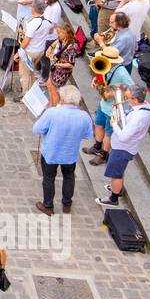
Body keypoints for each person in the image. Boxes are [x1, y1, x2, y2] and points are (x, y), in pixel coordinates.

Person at [32, 85, 94, 214]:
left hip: (51, 152)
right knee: (69, 177)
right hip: (70, 153)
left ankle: (48, 206)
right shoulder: (84, 116)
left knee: (48, 178)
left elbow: (36, 129)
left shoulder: (52, 112)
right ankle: (67, 204)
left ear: (62, 98)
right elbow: (88, 135)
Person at [96, 84, 150, 207]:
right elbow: (129, 116)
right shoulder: (144, 106)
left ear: (135, 99)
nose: (125, 100)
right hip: (125, 147)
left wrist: (114, 124)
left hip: (123, 148)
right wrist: (119, 110)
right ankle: (118, 189)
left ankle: (113, 198)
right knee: (119, 171)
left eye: (127, 98)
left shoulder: (139, 117)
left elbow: (123, 137)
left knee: (115, 174)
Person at [83, 46, 134, 166]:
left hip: (113, 108)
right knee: (98, 125)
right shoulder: (104, 65)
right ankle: (97, 146)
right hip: (104, 104)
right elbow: (101, 76)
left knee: (109, 133)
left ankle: (104, 155)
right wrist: (96, 79)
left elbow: (132, 88)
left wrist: (116, 90)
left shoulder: (121, 72)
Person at [17, 0, 54, 96]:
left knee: (24, 73)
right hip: (40, 50)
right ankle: (31, 88)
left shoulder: (33, 23)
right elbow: (50, 32)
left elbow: (26, 41)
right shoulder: (47, 21)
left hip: (30, 51)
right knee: (32, 70)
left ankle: (25, 94)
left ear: (33, 9)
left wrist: (18, 53)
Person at [44, 21, 80, 106]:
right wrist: (50, 47)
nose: (58, 35)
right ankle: (51, 103)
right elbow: (57, 41)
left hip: (62, 73)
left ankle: (55, 108)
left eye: (60, 32)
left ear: (66, 32)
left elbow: (70, 64)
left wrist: (56, 63)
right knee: (49, 85)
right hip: (55, 67)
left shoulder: (72, 47)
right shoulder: (62, 38)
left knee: (55, 91)